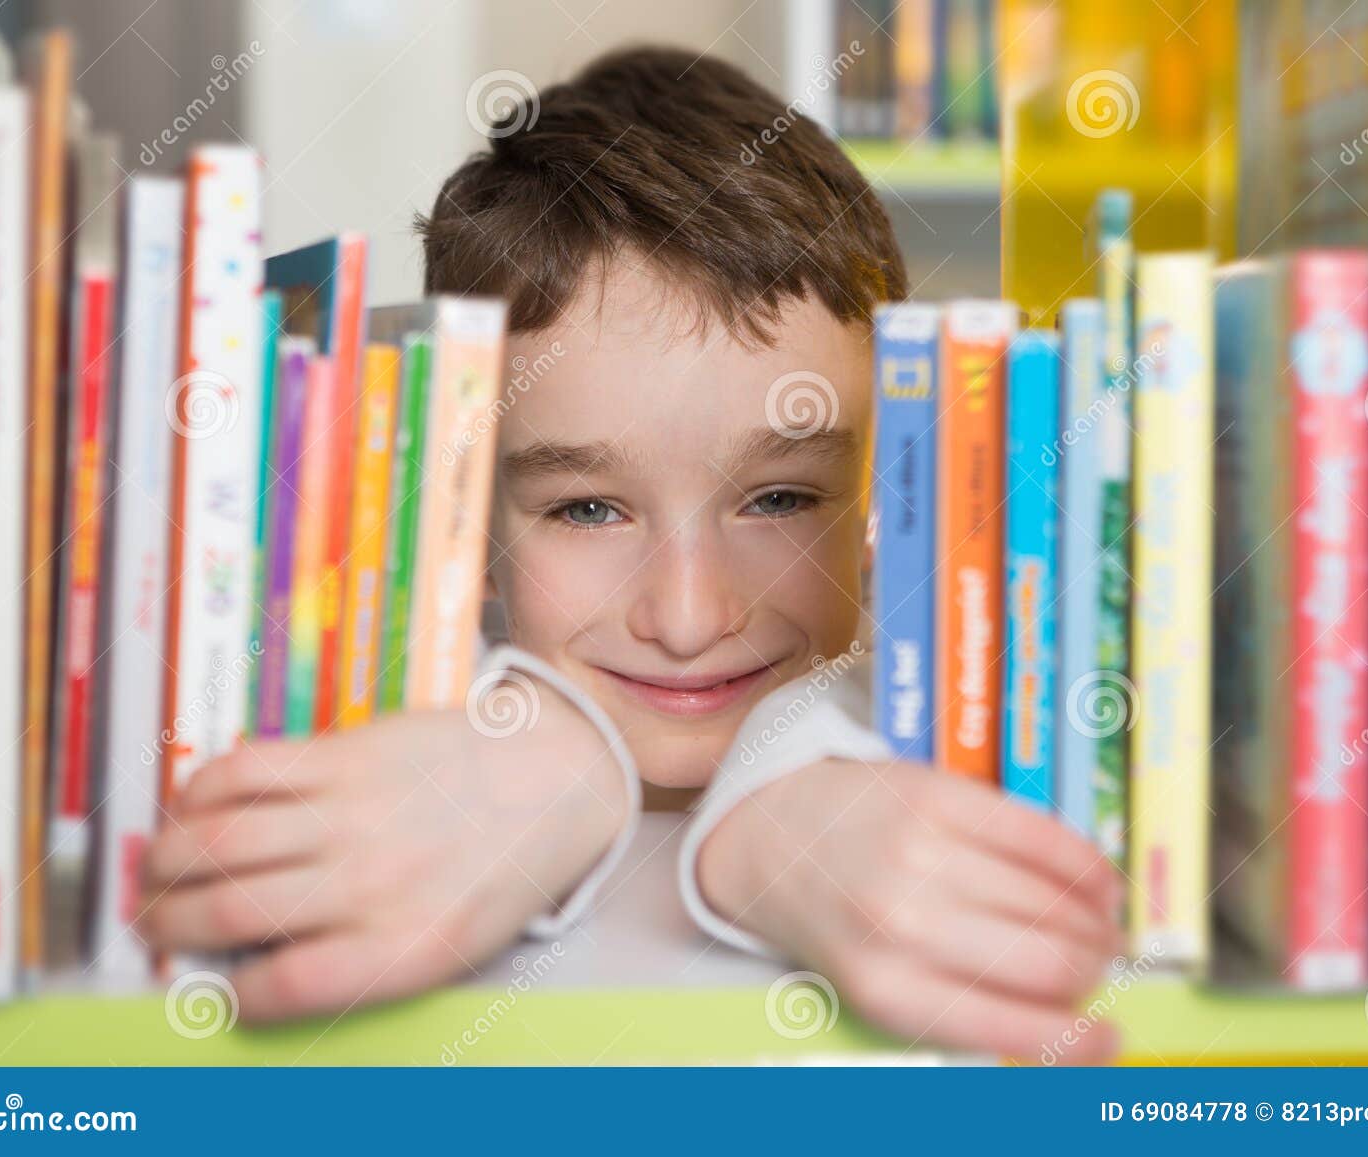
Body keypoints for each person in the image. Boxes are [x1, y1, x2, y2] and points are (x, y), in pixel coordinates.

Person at [142, 46, 1123, 1064]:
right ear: (459, 517)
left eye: (780, 498)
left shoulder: (988, 726)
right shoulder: (382, 731)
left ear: (892, 486)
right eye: (587, 510)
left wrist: (777, 813)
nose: (690, 616)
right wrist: (563, 757)